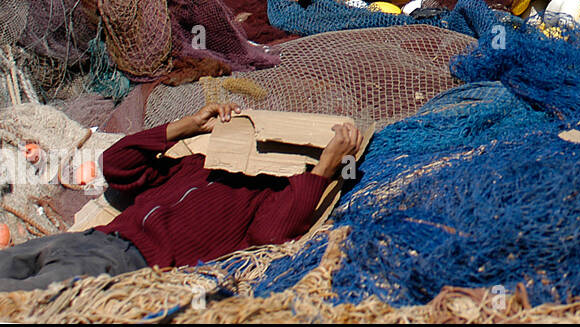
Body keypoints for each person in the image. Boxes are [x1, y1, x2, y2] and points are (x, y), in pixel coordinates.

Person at [0, 103, 362, 293]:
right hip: (83, 240)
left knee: (23, 303)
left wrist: (324, 168)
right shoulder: (194, 164)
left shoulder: (268, 194)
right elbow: (116, 164)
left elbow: (273, 233)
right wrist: (184, 127)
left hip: (128, 261)